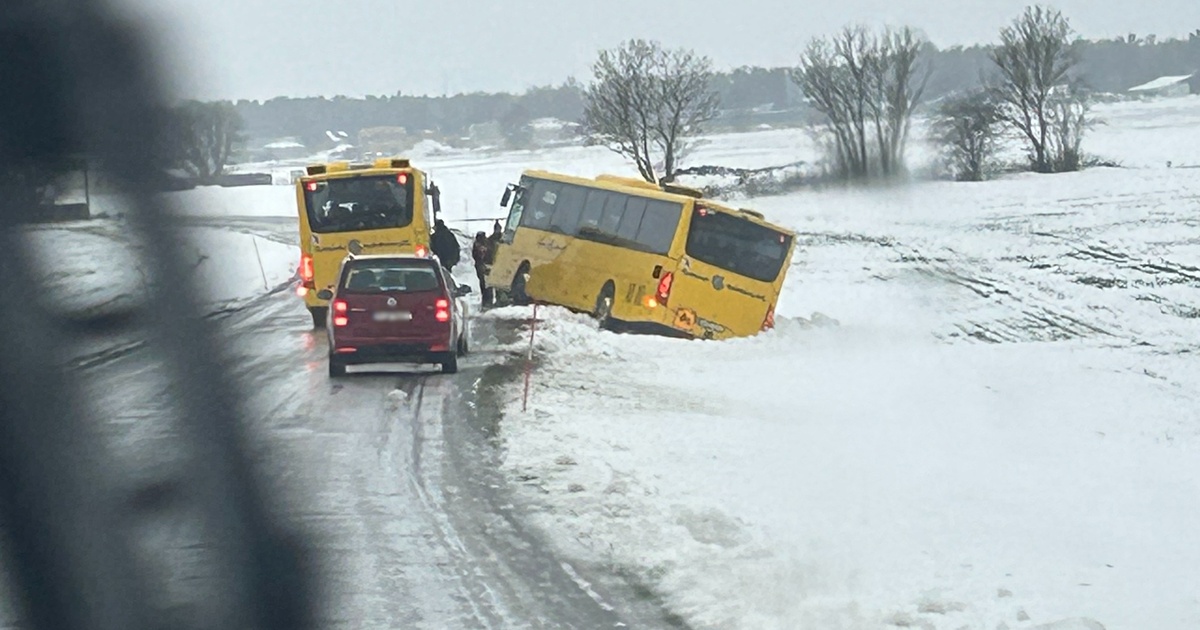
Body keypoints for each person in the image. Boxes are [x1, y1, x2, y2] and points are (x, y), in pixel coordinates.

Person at [471, 231, 494, 307]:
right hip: (486, 266)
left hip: (481, 266)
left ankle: (486, 300)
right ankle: (488, 300)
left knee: (484, 284)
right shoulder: (488, 244)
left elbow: (474, 255)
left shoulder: (477, 245)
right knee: (486, 283)